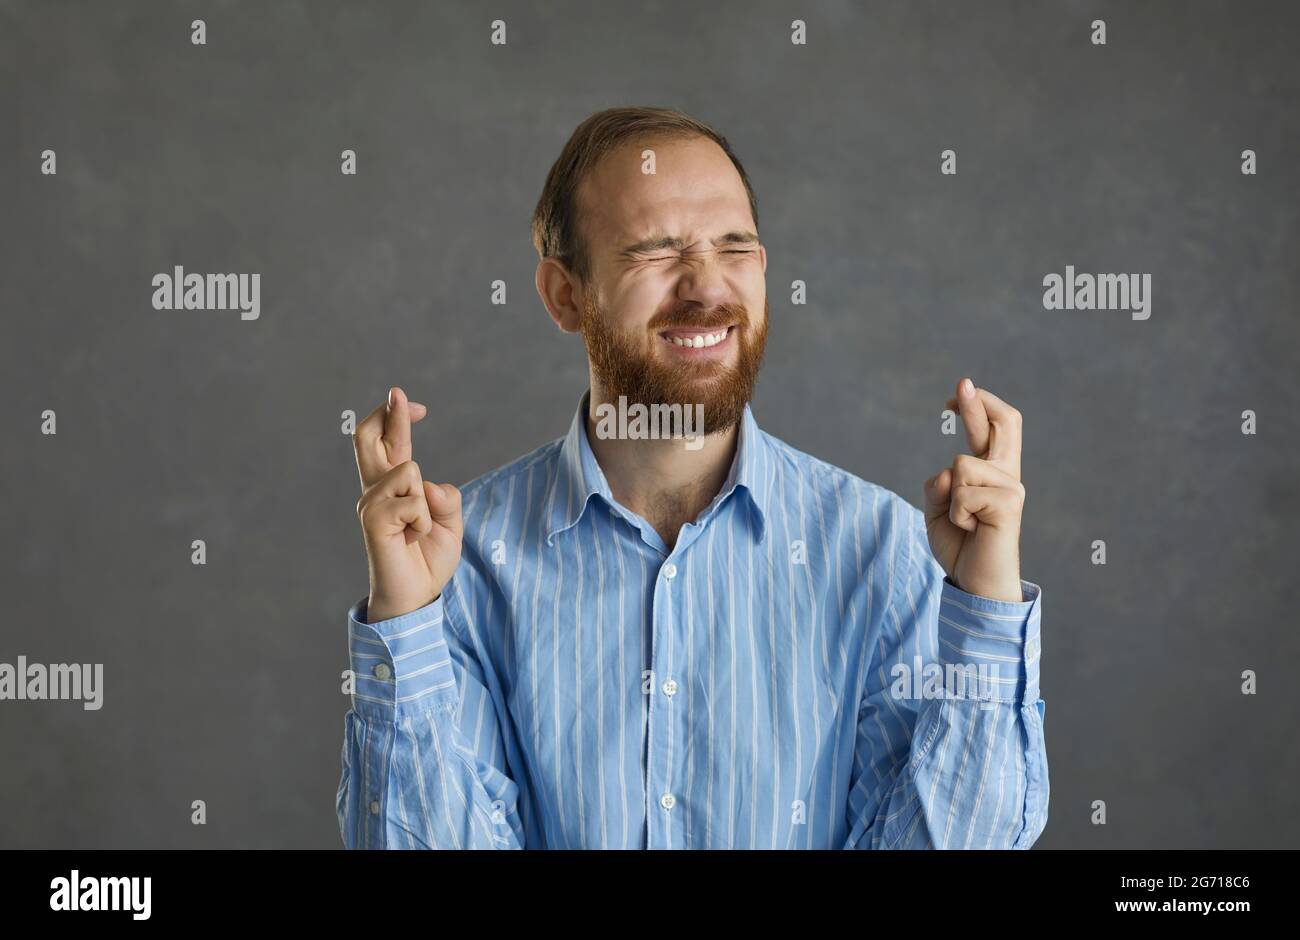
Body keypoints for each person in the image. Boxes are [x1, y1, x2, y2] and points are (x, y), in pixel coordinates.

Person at [337, 106, 1047, 849]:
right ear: (564, 295)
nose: (707, 287)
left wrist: (986, 618)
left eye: (734, 247)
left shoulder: (882, 549)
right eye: (655, 251)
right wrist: (406, 624)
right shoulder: (461, 564)